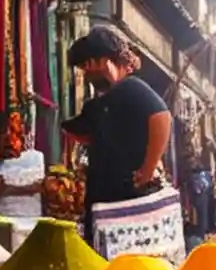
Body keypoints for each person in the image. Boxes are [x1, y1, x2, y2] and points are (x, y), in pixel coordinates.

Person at [61, 26, 171, 246]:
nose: (86, 74)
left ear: (104, 60)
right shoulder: (103, 102)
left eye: (88, 66)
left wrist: (148, 169)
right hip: (107, 203)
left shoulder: (130, 87)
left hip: (126, 204)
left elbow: (162, 117)